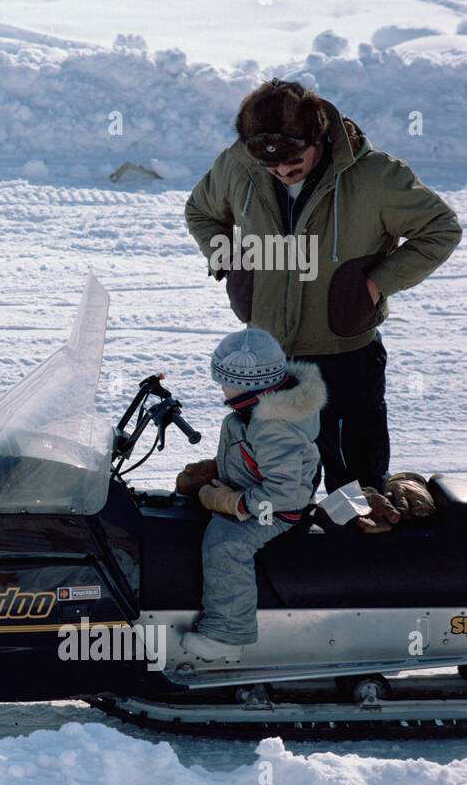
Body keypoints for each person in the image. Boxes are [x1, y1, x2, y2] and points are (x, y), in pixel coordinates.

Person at [185, 79, 460, 492]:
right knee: (276, 480)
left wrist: (376, 284)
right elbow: (201, 212)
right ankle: (284, 554)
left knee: (356, 485)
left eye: (292, 158)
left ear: (318, 136)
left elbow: (440, 229)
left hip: (344, 355)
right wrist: (232, 265)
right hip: (268, 357)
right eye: (269, 163)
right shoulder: (237, 165)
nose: (281, 170)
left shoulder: (375, 176)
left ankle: (358, 551)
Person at [181, 329, 326, 662]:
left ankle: (229, 634)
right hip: (260, 490)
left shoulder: (273, 425)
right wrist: (217, 471)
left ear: (250, 384)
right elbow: (254, 456)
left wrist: (235, 503)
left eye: (225, 382)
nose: (221, 389)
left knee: (226, 544)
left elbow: (286, 492)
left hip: (276, 509)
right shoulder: (258, 412)